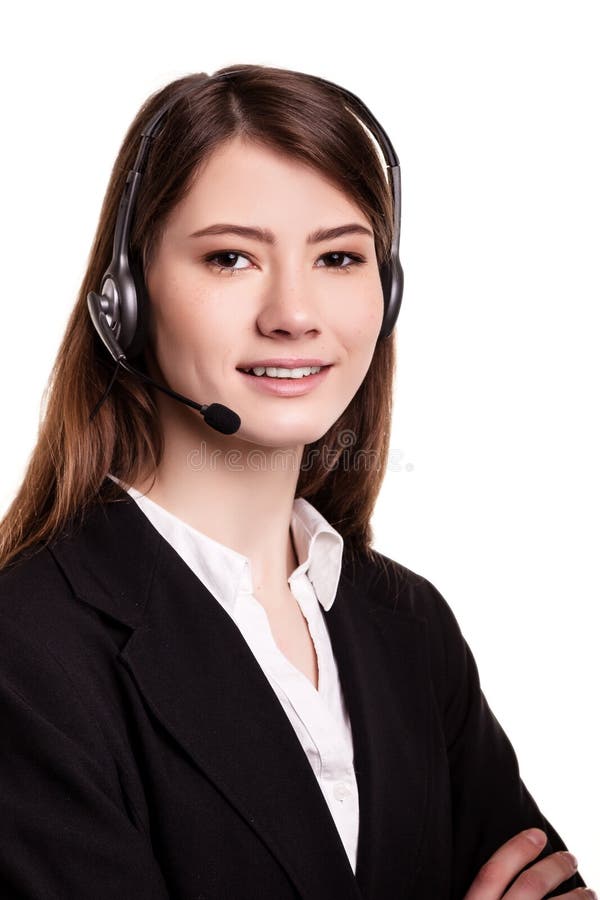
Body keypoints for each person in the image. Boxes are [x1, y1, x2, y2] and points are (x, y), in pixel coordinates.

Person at [0, 64, 592, 900]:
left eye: (340, 258)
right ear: (124, 301)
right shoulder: (28, 652)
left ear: (385, 296)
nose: (293, 313)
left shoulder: (410, 626)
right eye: (232, 257)